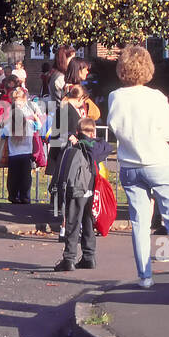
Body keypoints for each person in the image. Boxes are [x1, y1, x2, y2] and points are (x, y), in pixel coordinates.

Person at [106, 45, 169, 288]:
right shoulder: (157, 97)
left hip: (129, 164)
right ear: (148, 68)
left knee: (140, 222)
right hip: (158, 162)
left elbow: (114, 128)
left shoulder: (115, 97)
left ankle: (145, 276)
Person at [53, 116, 110, 271]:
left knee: (73, 222)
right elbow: (106, 146)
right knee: (88, 223)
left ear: (78, 131)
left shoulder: (77, 145)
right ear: (94, 132)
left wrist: (77, 139)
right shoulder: (97, 146)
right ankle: (89, 256)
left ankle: (69, 258)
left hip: (76, 187)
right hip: (91, 188)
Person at [0, 86, 43, 204]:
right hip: (26, 154)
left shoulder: (9, 127)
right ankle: (25, 196)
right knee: (25, 177)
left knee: (13, 177)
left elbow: (2, 134)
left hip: (13, 155)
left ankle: (13, 196)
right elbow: (39, 127)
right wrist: (36, 118)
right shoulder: (29, 124)